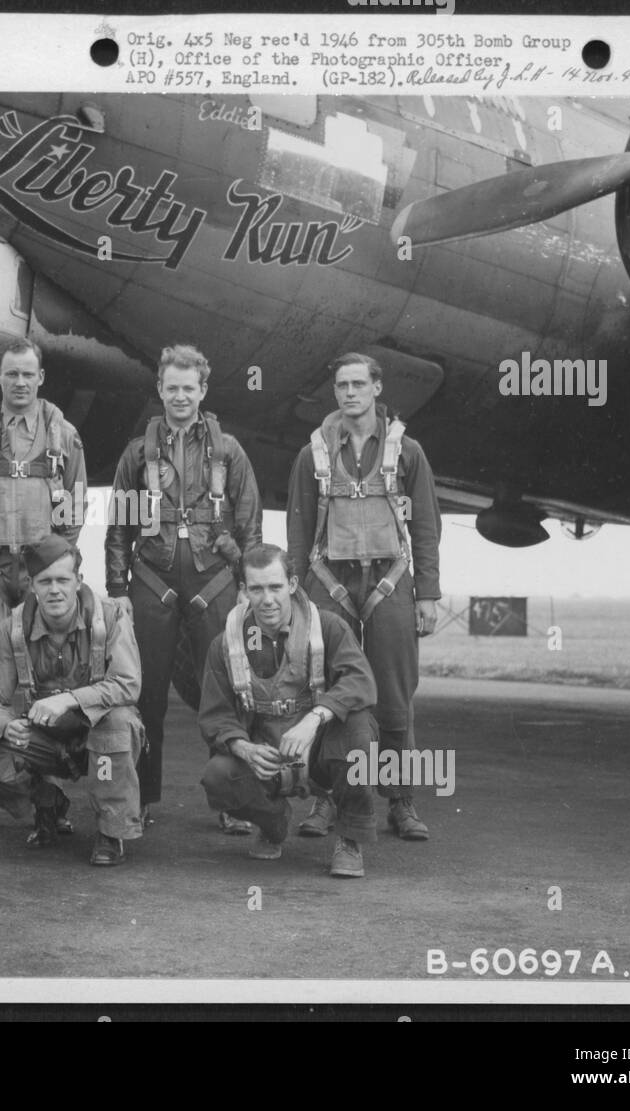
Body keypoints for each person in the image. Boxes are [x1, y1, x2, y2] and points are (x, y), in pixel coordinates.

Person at [105, 344, 262, 832]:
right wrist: (116, 592)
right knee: (144, 694)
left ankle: (234, 799)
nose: (179, 396)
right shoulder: (137, 453)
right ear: (159, 389)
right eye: (171, 388)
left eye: (187, 388)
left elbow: (249, 525)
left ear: (203, 391)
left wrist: (249, 588)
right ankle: (142, 797)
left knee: (226, 691)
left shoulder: (230, 451)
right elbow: (119, 530)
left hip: (214, 579)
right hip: (151, 581)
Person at [285, 353, 442, 841]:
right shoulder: (311, 455)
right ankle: (328, 798)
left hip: (390, 582)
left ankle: (401, 800)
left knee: (394, 697)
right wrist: (297, 597)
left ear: (377, 388)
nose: (349, 393)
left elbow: (425, 526)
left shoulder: (408, 452)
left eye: (358, 384)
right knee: (328, 690)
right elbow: (299, 528)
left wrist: (428, 594)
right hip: (328, 581)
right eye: (341, 386)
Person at [0, 338, 85, 834]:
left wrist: (55, 567)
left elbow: (73, 507)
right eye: (12, 374)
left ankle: (39, 795)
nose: (20, 383)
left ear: (41, 378)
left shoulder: (63, 435)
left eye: (29, 374)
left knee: (39, 681)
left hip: (39, 575)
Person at [197, 544, 380, 876]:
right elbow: (215, 714)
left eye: (275, 587)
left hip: (321, 748)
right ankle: (272, 822)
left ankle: (350, 838)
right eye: (256, 588)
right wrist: (244, 748)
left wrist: (315, 718)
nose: (267, 599)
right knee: (218, 776)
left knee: (359, 729)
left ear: (293, 584)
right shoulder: (226, 643)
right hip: (266, 753)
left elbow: (360, 681)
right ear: (243, 591)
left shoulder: (328, 626)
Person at [0, 536, 144, 866]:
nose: (55, 590)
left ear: (78, 581)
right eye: (44, 581)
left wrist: (69, 699)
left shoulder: (110, 618)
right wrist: (7, 727)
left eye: (63, 580)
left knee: (118, 722)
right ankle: (47, 803)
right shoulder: (11, 631)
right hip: (45, 741)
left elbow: (127, 685)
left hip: (99, 739)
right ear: (31, 585)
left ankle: (110, 831)